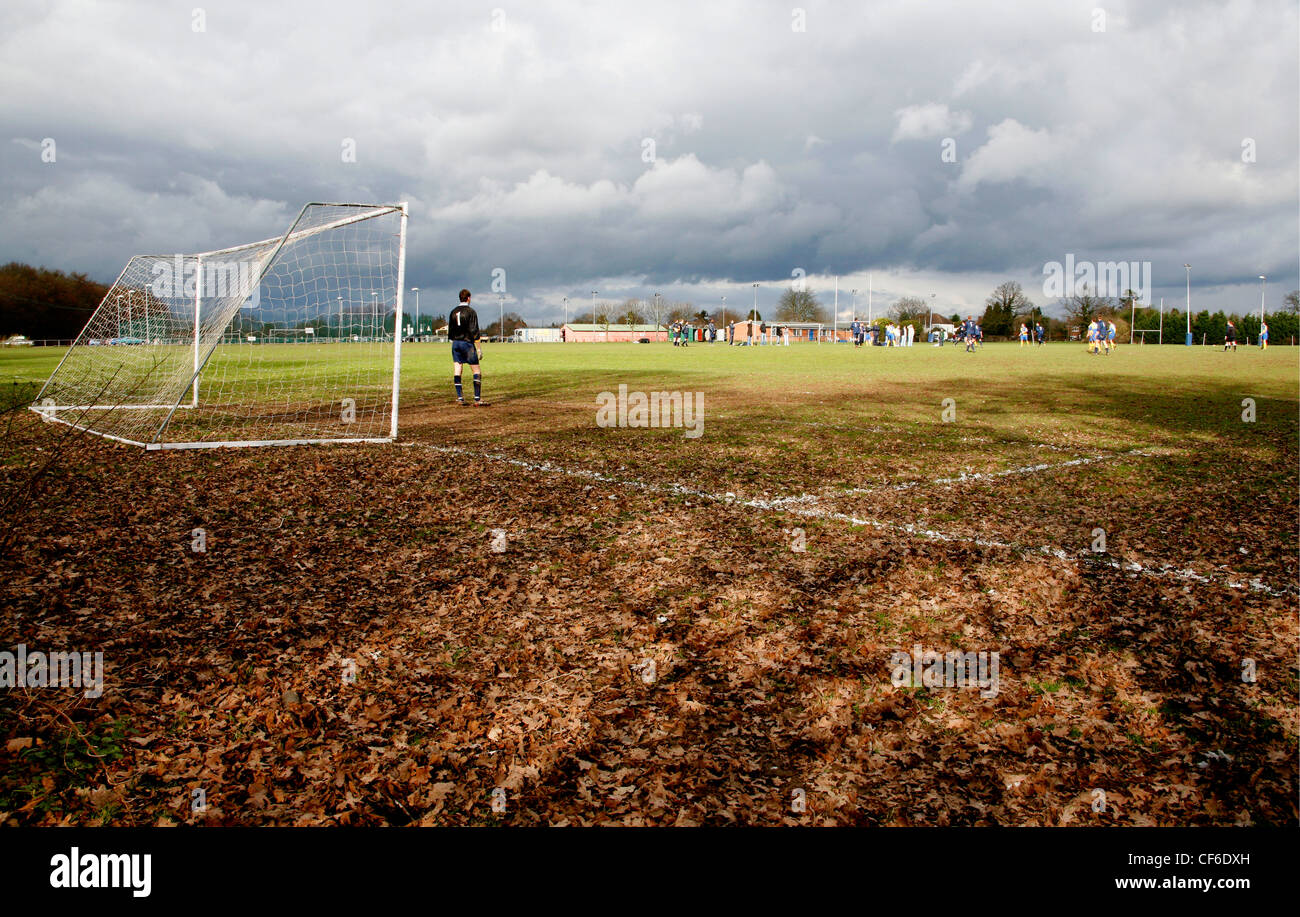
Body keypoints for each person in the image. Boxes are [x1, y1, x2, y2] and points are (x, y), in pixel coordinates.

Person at [449, 288, 488, 406]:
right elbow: (474, 331)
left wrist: (455, 342)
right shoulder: (471, 312)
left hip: (455, 343)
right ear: (469, 298)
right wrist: (479, 348)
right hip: (467, 344)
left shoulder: (453, 312)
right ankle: (477, 399)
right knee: (476, 370)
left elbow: (450, 331)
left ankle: (460, 398)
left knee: (457, 369)